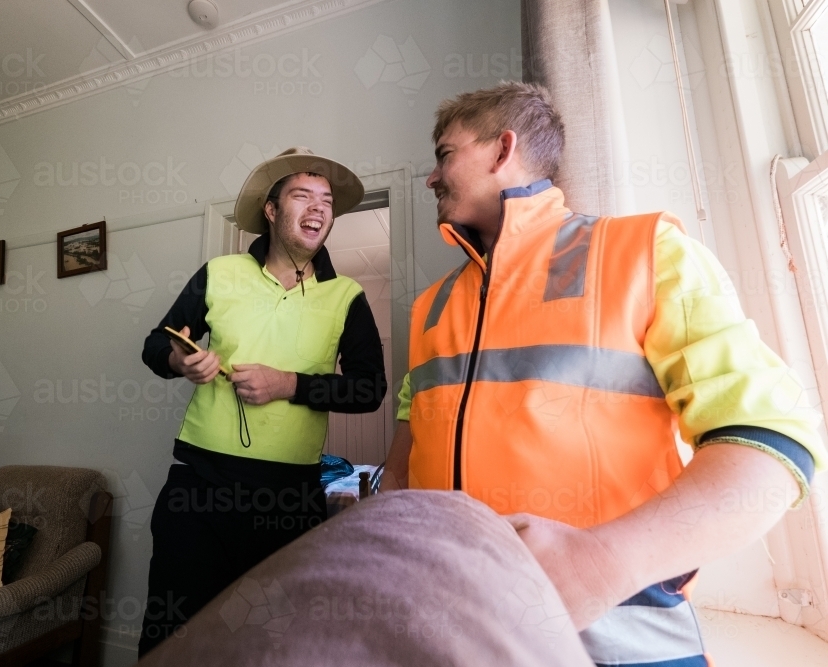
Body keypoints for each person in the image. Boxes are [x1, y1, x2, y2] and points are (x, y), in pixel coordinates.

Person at [382, 83, 825, 666]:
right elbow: (406, 460)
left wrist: (603, 563)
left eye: (444, 154)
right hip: (450, 630)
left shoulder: (642, 251)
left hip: (620, 642)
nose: (432, 177)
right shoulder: (430, 306)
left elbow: (774, 444)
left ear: (501, 150)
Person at [139, 147, 387, 655]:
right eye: (303, 196)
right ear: (271, 211)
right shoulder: (218, 273)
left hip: (289, 500)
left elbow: (370, 389)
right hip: (198, 492)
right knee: (173, 641)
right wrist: (179, 361)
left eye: (327, 201)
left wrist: (289, 385)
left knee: (272, 648)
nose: (319, 208)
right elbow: (154, 344)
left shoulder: (347, 296)